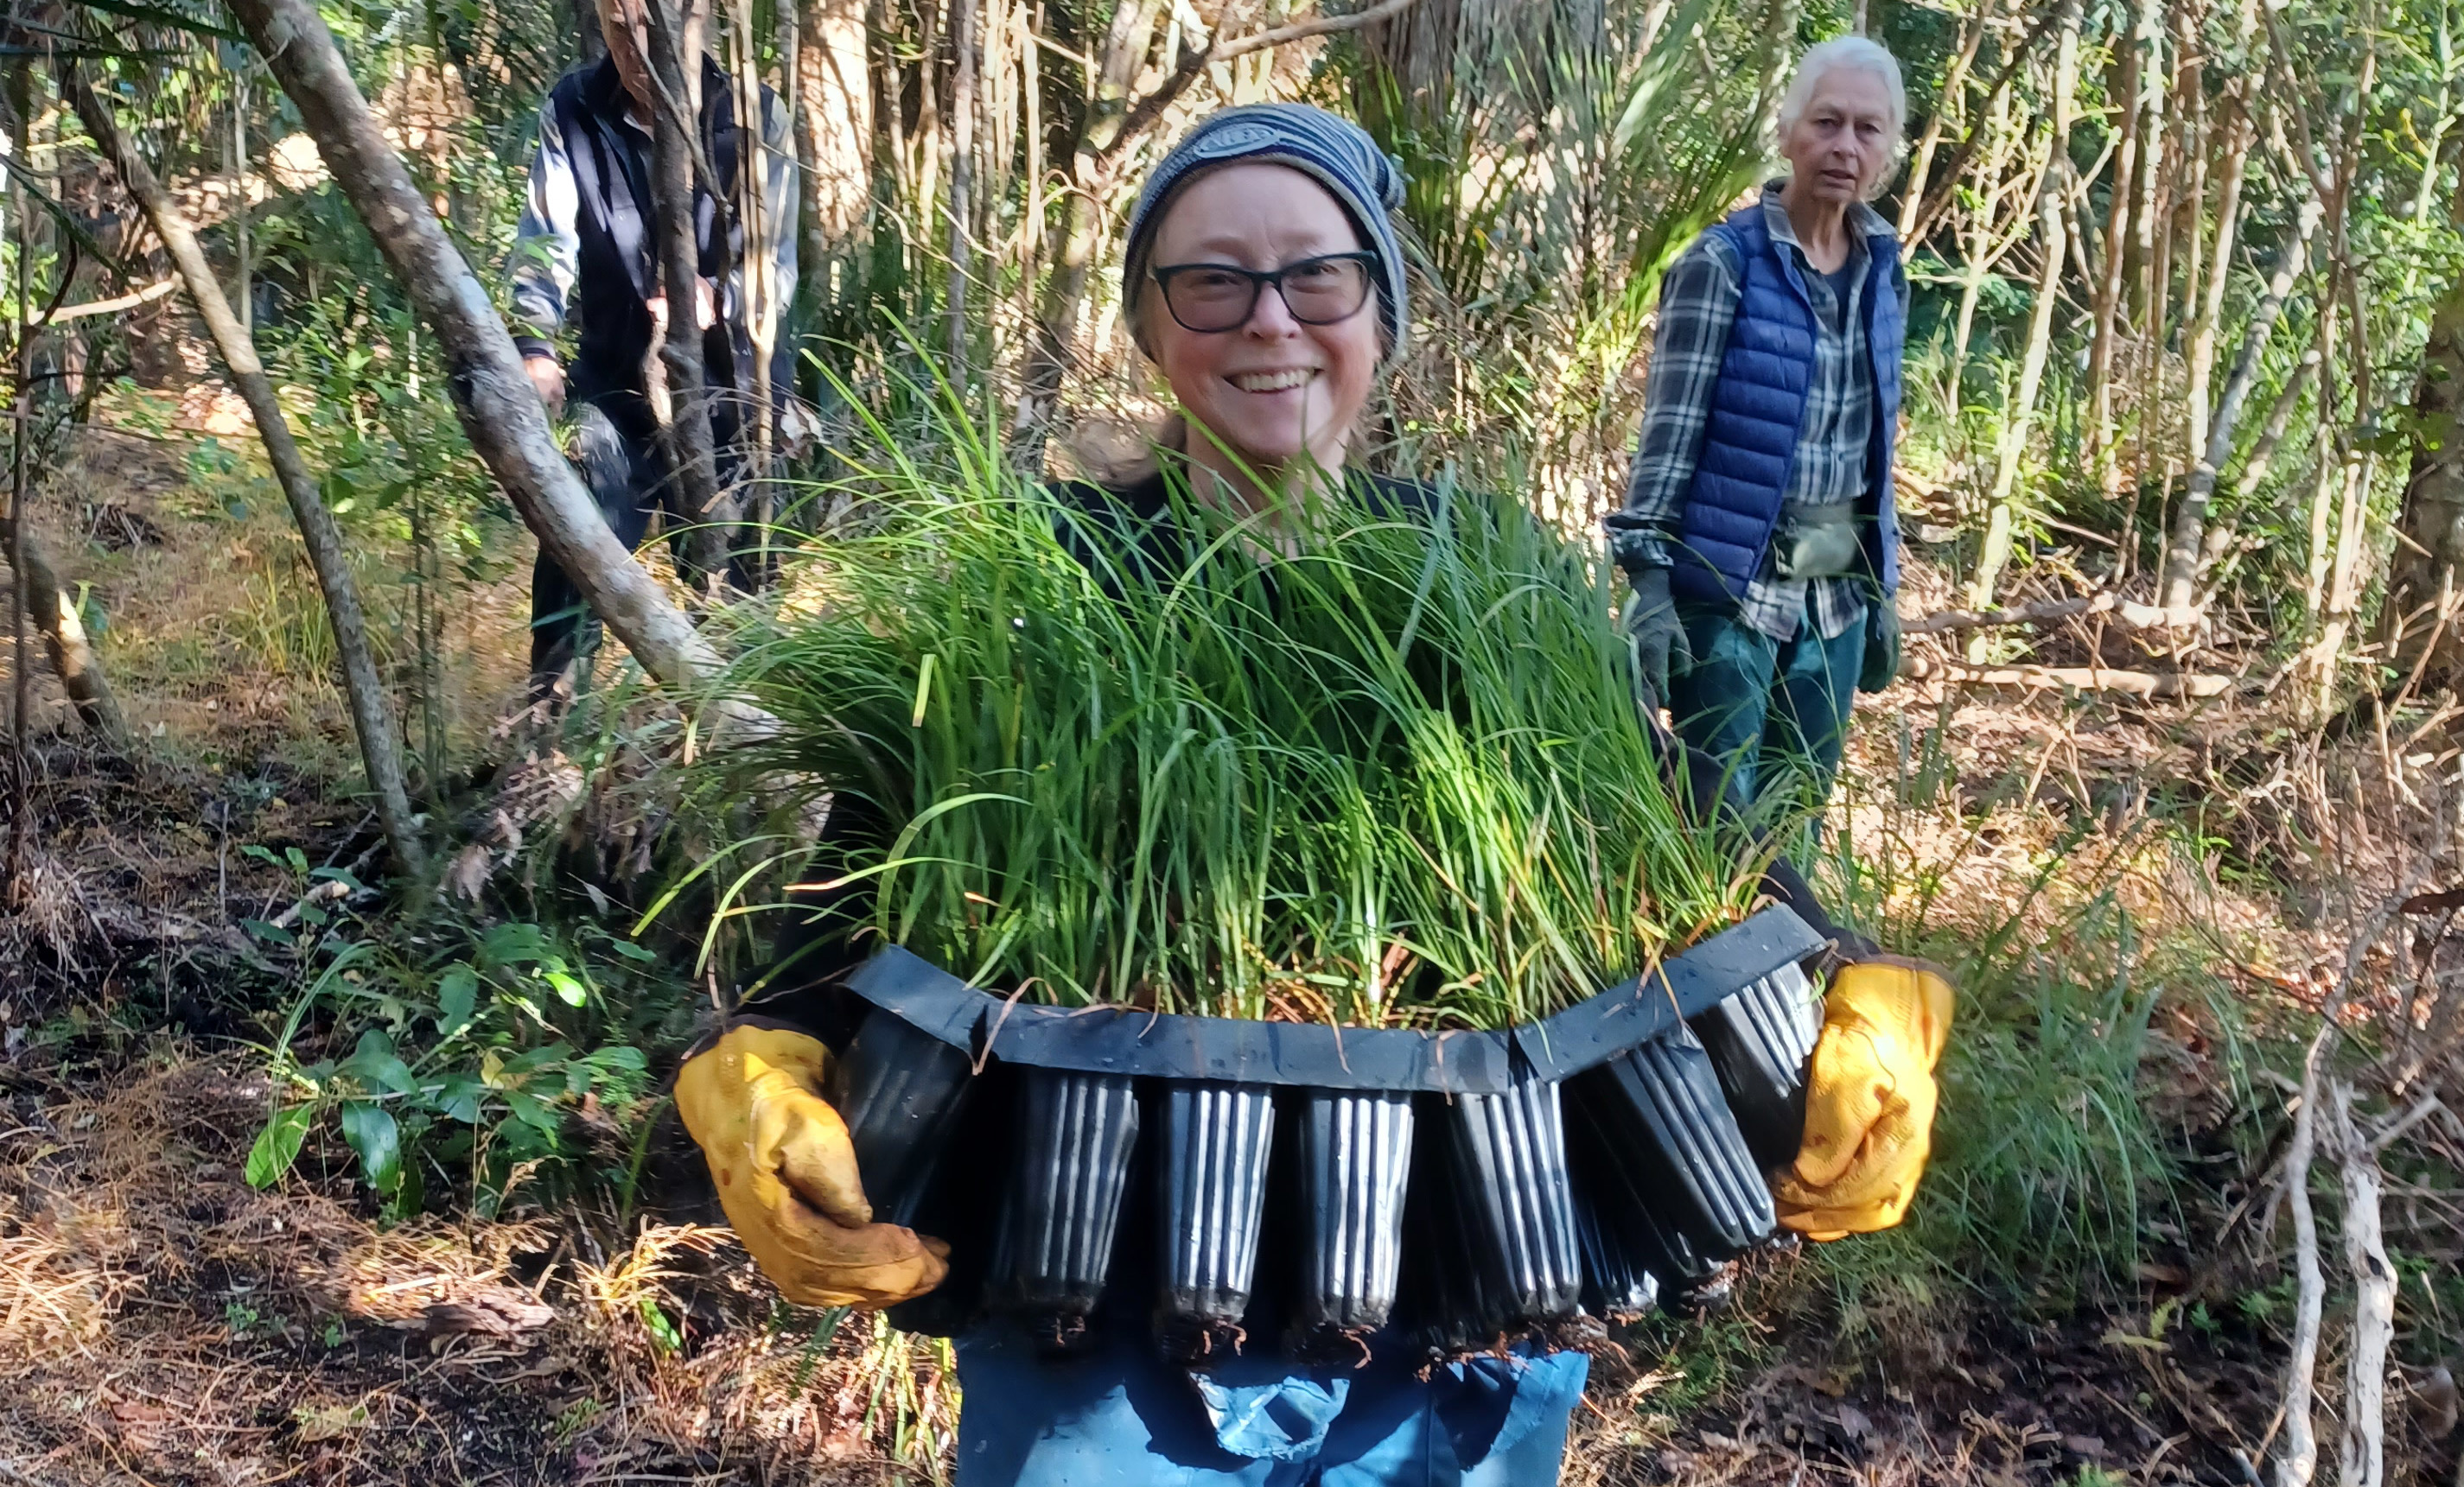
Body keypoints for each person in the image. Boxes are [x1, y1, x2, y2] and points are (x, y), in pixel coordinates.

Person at [672, 102, 1946, 1487]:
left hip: (1460, 1303)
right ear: (1151, 327)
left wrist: (1853, 979)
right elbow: (874, 872)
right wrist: (763, 1051)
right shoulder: (1038, 577)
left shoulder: (1488, 568)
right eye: (1211, 279)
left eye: (1315, 275)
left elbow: (1664, 845)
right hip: (1096, 1327)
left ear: (1377, 312)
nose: (1268, 321)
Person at [1608, 35, 1909, 850]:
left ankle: (1796, 973)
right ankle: (1708, 969)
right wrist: (1649, 580)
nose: (1845, 146)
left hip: (1832, 573)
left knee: (1797, 808)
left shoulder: (1884, 264)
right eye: (1827, 122)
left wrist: (1886, 584)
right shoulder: (1723, 262)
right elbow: (1670, 431)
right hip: (1731, 576)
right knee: (1715, 813)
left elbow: (1874, 439)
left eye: (1868, 130)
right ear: (1788, 133)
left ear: (1889, 148)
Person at [508, 0, 797, 706]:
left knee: (736, 590)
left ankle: (727, 748)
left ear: (700, 16)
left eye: (653, 24)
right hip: (618, 380)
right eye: (618, 26)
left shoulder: (757, 117)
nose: (637, 47)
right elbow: (545, 238)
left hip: (737, 392)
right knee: (579, 518)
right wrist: (534, 346)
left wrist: (717, 300)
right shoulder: (575, 109)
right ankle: (551, 724)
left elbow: (778, 270)